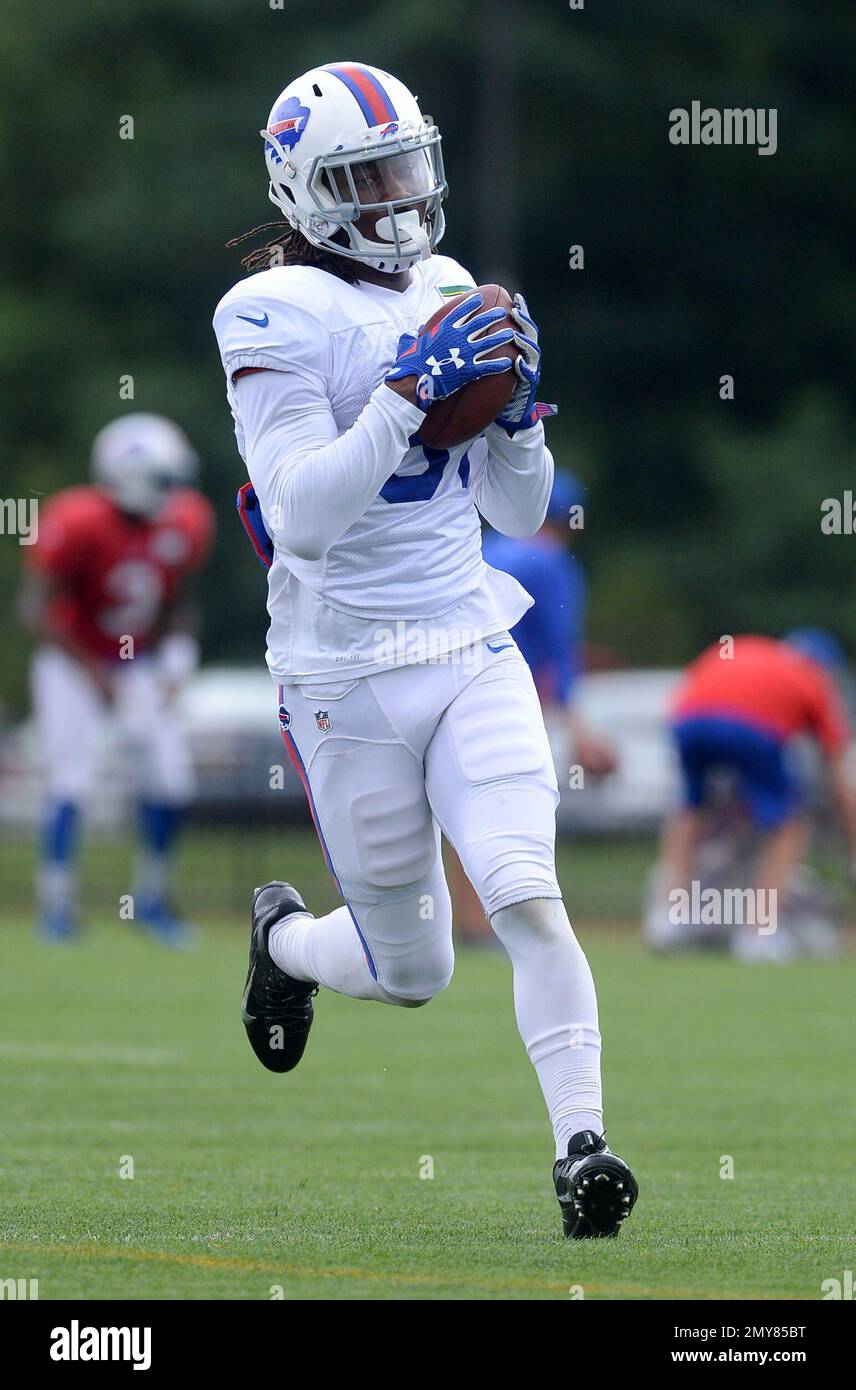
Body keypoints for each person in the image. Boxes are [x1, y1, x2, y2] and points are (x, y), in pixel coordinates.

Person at [214, 61, 637, 1237]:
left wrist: (514, 419)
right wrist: (406, 397)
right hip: (342, 672)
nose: (402, 195)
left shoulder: (448, 282)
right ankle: (288, 943)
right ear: (306, 190)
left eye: (410, 166)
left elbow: (514, 512)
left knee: (524, 889)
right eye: (369, 176)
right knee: (414, 969)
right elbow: (301, 512)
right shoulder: (265, 314)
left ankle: (582, 1151)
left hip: (465, 638)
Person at [20, 414, 215, 946]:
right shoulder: (77, 520)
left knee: (171, 781)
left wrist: (176, 661)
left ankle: (152, 900)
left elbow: (177, 603)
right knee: (71, 781)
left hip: (139, 664)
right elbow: (34, 609)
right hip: (70, 660)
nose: (174, 494)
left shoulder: (186, 521)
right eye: (163, 481)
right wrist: (90, 674)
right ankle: (56, 905)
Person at [450, 470, 617, 941]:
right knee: (511, 809)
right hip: (502, 699)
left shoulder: (482, 547)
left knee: (458, 810)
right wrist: (582, 729)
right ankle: (514, 923)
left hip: (446, 687)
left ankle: (466, 921)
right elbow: (560, 656)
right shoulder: (552, 562)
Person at [646, 629, 856, 957]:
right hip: (752, 726)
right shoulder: (812, 678)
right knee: (788, 822)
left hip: (688, 717)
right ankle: (760, 932)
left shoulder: (749, 648)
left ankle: (666, 918)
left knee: (690, 808)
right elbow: (840, 781)